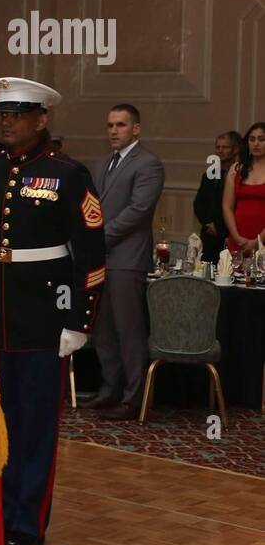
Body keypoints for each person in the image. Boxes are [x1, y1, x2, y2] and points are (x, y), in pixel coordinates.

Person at [0, 77, 106, 545]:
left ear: (42, 119)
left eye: (17, 115)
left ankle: (25, 521)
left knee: (34, 424)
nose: (7, 122)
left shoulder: (67, 174)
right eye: (2, 114)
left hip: (44, 317)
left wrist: (79, 321)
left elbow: (92, 255)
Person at [86, 103, 165, 420]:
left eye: (120, 125)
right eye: (109, 125)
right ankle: (110, 391)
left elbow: (138, 210)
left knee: (128, 329)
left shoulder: (149, 164)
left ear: (136, 129)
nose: (113, 131)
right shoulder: (102, 163)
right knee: (103, 329)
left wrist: (99, 236)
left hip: (127, 258)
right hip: (101, 258)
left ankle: (133, 398)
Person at [194, 131, 240, 262]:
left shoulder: (240, 174)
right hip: (209, 238)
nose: (220, 150)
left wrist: (219, 227)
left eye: (225, 147)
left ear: (234, 149)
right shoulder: (209, 174)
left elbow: (235, 206)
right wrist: (208, 223)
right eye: (218, 147)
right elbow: (198, 204)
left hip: (229, 235)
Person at [222, 123, 265, 254]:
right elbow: (227, 207)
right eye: (252, 139)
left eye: (261, 139)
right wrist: (237, 237)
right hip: (239, 237)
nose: (256, 144)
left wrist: (258, 241)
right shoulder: (236, 169)